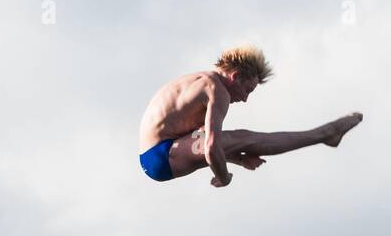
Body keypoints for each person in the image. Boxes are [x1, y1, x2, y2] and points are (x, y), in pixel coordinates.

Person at [138, 45, 362, 186]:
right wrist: (224, 178)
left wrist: (240, 158)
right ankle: (326, 133)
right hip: (162, 157)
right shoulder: (216, 91)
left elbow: (198, 136)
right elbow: (211, 147)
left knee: (239, 138)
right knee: (246, 139)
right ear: (235, 76)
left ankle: (326, 134)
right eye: (248, 90)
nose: (245, 99)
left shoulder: (200, 81)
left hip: (158, 152)